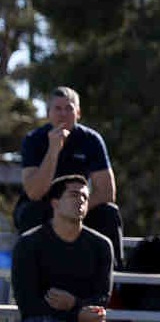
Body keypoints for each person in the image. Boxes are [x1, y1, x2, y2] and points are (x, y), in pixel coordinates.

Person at [14, 86, 124, 268]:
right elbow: (34, 192)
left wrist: (73, 209)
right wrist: (53, 150)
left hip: (79, 207)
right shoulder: (33, 140)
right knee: (30, 213)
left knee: (109, 213)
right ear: (48, 113)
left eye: (69, 108)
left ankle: (114, 279)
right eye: (57, 109)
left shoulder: (91, 140)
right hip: (44, 205)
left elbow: (107, 192)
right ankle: (27, 281)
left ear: (78, 113)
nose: (63, 114)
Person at [12, 174, 112, 322]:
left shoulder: (101, 245)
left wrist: (74, 303)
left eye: (85, 197)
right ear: (55, 203)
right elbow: (28, 304)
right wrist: (76, 315)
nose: (81, 200)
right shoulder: (28, 243)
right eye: (74, 195)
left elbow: (101, 298)